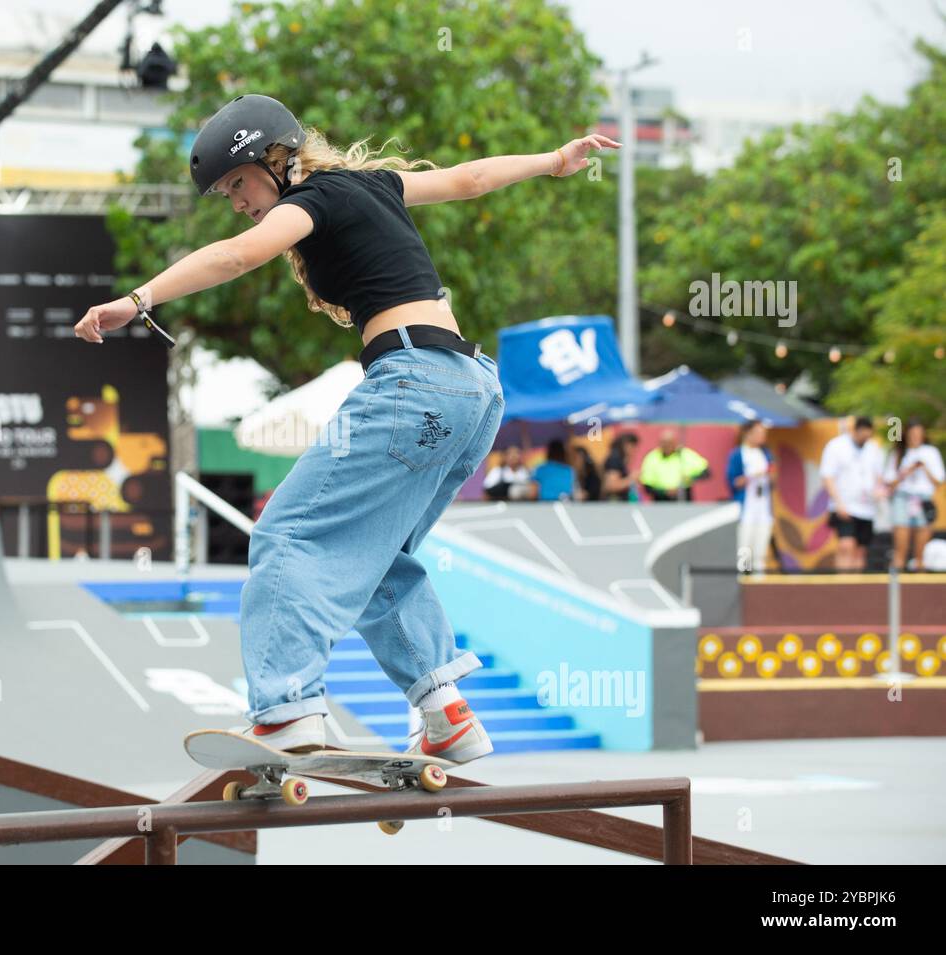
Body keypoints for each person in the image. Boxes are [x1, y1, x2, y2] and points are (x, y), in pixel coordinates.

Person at [73, 93, 619, 761]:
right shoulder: (374, 185)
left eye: (239, 184)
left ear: (276, 160)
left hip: (413, 382)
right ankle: (444, 711)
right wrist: (553, 161)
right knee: (375, 551)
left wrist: (140, 298)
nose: (239, 202)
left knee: (288, 532)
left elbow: (234, 258)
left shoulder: (312, 200)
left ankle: (286, 710)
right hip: (473, 390)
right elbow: (470, 179)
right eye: (226, 195)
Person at [819, 416, 883, 571]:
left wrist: (879, 491)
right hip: (845, 505)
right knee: (846, 545)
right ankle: (843, 586)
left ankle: (856, 588)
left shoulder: (873, 448)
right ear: (856, 430)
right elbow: (828, 476)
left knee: (860, 550)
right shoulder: (836, 446)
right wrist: (839, 503)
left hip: (867, 507)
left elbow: (879, 476)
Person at [881, 418, 944, 571]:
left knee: (920, 553)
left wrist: (924, 467)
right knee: (900, 549)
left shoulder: (931, 452)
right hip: (902, 498)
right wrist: (907, 471)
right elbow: (889, 482)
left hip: (923, 500)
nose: (916, 436)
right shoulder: (898, 452)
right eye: (913, 433)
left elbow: (938, 481)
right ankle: (895, 588)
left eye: (919, 433)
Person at [726, 420, 775, 576]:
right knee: (744, 549)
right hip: (746, 508)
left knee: (760, 549)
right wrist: (753, 475)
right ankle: (743, 580)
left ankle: (758, 581)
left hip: (763, 507)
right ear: (748, 433)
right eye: (758, 433)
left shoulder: (766, 454)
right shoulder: (738, 454)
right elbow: (733, 482)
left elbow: (773, 479)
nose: (762, 437)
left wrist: (770, 474)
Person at [639, 428, 711, 501]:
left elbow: (706, 472)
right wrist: (665, 492)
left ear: (675, 443)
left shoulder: (685, 455)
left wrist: (691, 478)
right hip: (661, 499)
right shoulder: (652, 457)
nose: (666, 445)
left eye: (669, 443)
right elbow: (646, 485)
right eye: (664, 442)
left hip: (683, 496)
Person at [601, 433, 641, 502]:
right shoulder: (615, 459)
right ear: (626, 445)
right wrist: (631, 479)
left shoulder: (620, 459)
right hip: (614, 503)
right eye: (633, 446)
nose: (635, 450)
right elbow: (612, 486)